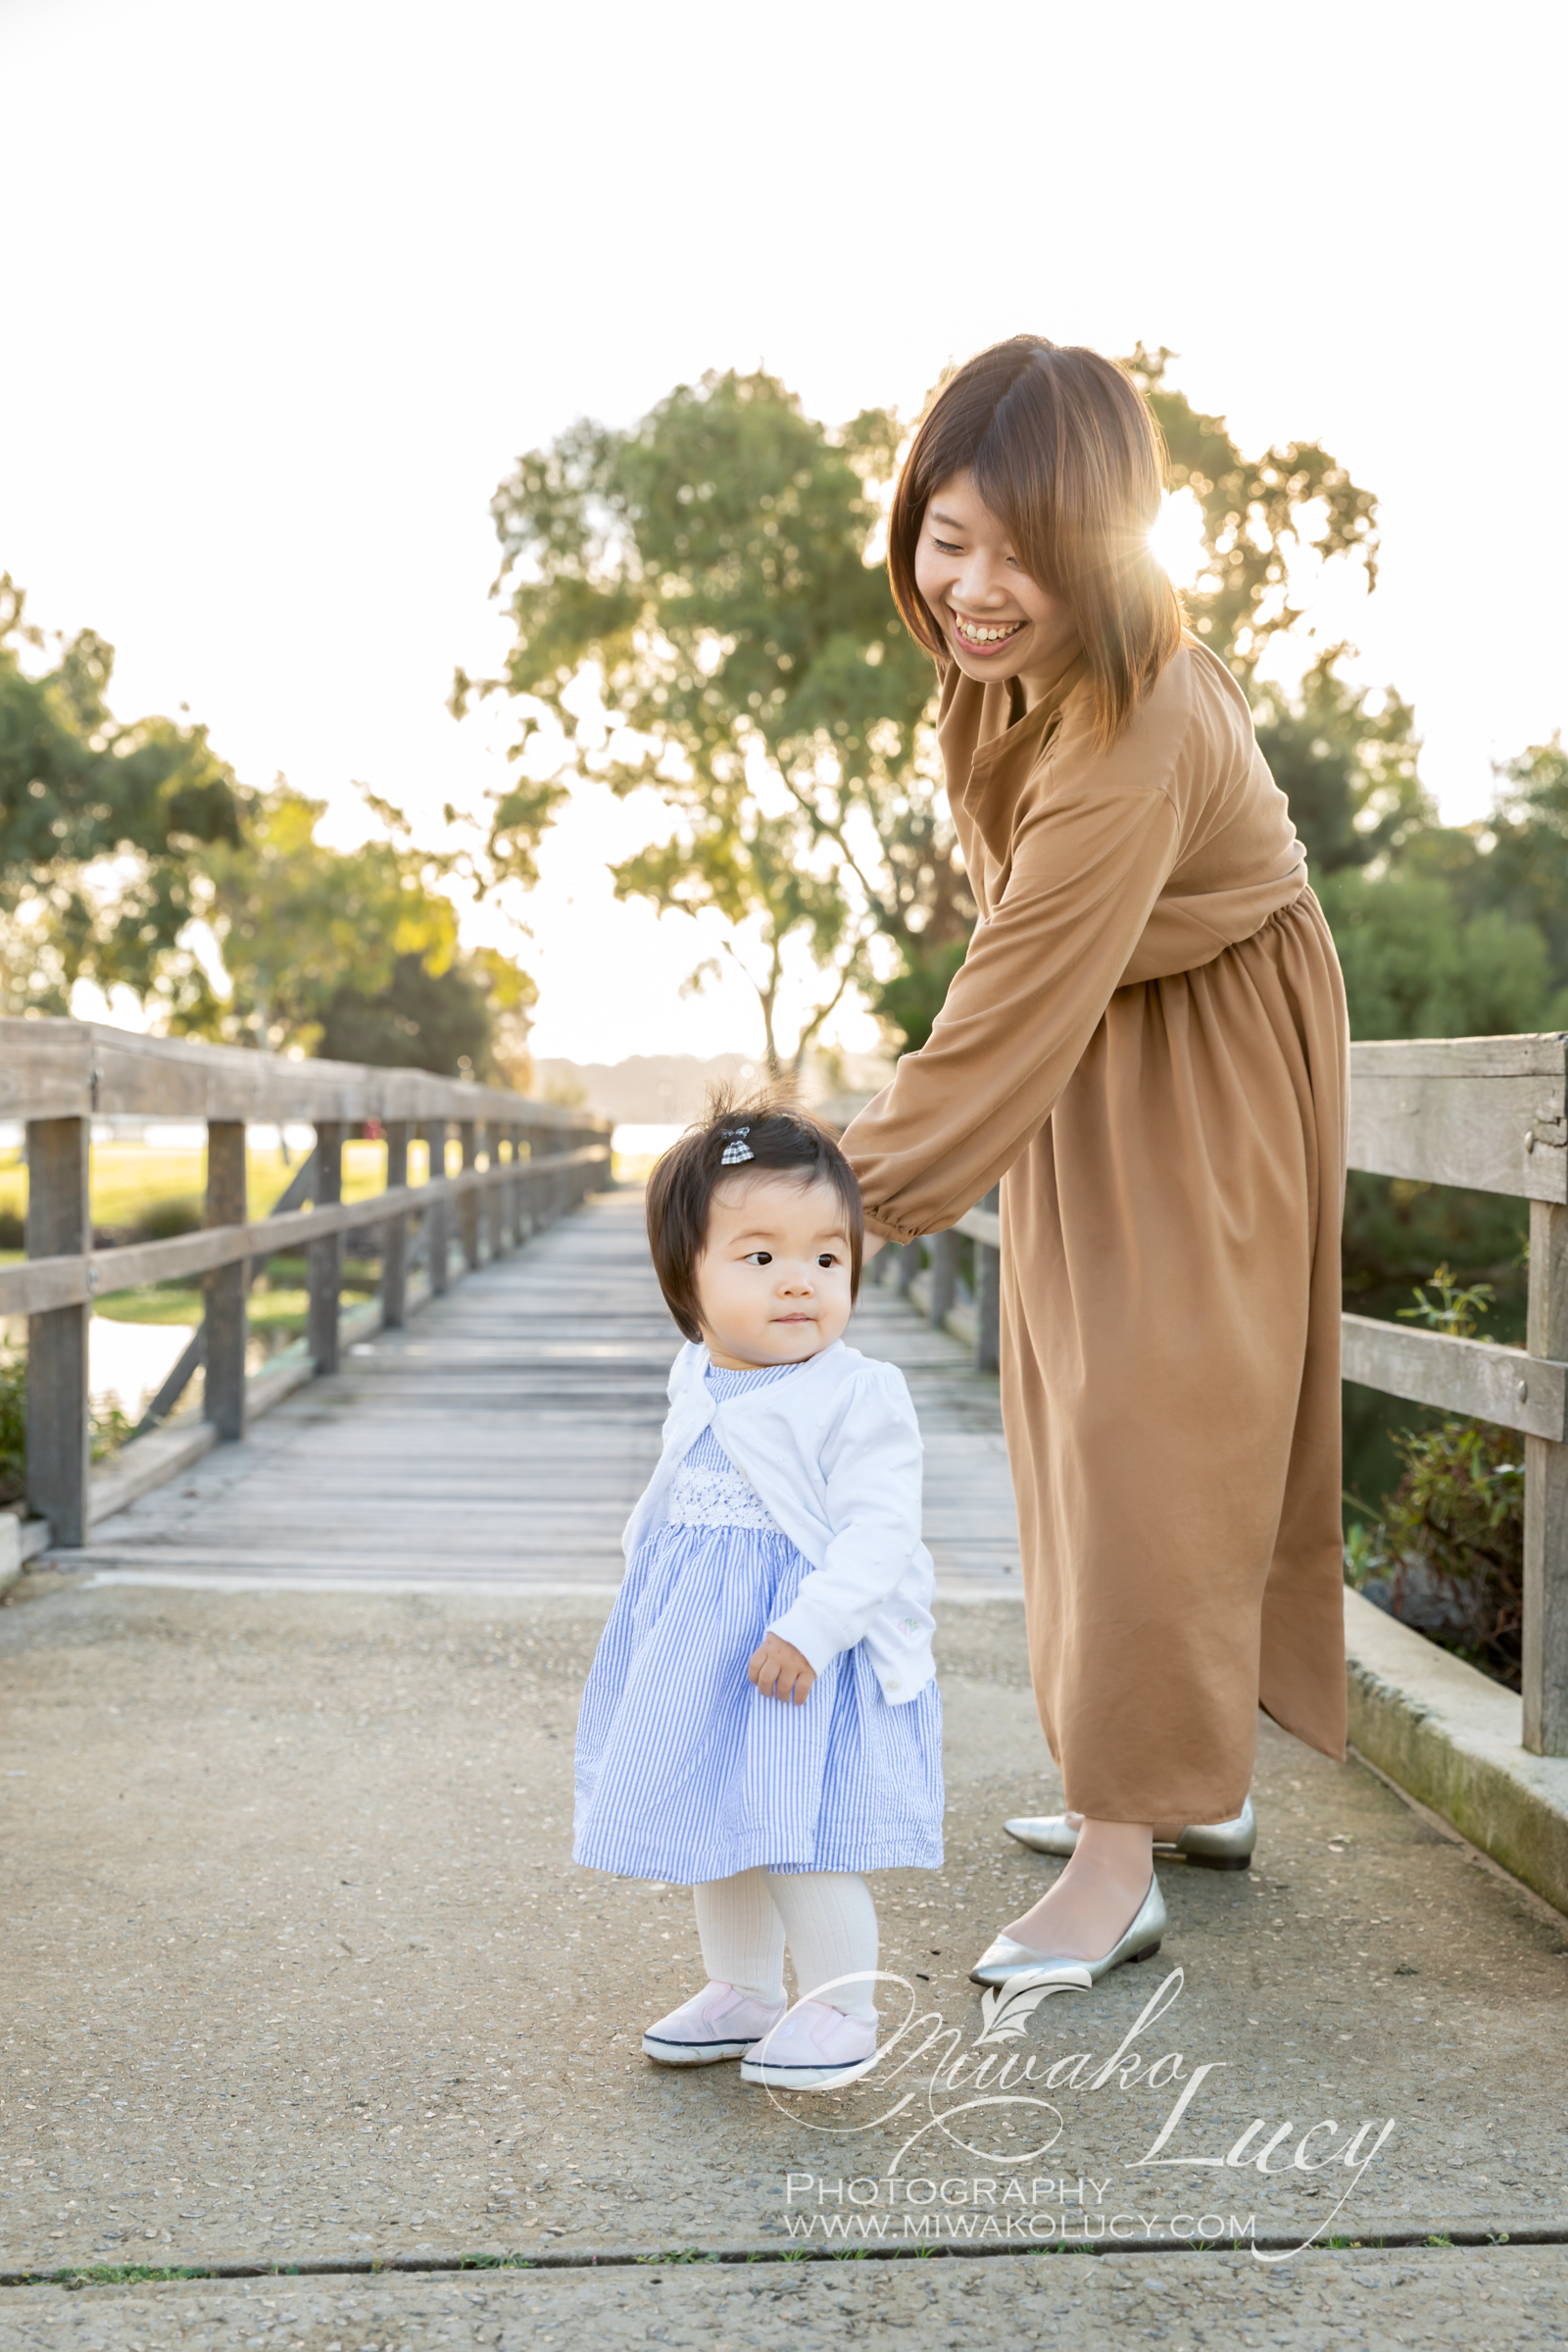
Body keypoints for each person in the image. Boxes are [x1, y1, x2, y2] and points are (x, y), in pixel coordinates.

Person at [841, 336, 1348, 1990]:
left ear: (1107, 548)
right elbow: (1023, 968)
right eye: (948, 538)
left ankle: (1121, 1855)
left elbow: (999, 1007)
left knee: (1152, 1431)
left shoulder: (1132, 731)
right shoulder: (1010, 677)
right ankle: (1180, 1792)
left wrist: (811, 1214)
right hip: (1106, 1052)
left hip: (1203, 1064)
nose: (976, 589)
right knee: (1075, 1417)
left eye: (1026, 556)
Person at [572, 1100, 942, 2089]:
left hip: (802, 1658)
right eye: (759, 1257)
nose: (800, 1282)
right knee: (717, 1822)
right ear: (686, 1282)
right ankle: (742, 1990)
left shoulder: (857, 1393)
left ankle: (840, 2006)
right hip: (707, 1649)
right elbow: (675, 1505)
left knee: (800, 1832)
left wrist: (813, 1627)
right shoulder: (697, 1374)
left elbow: (879, 1531)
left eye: (828, 1259)